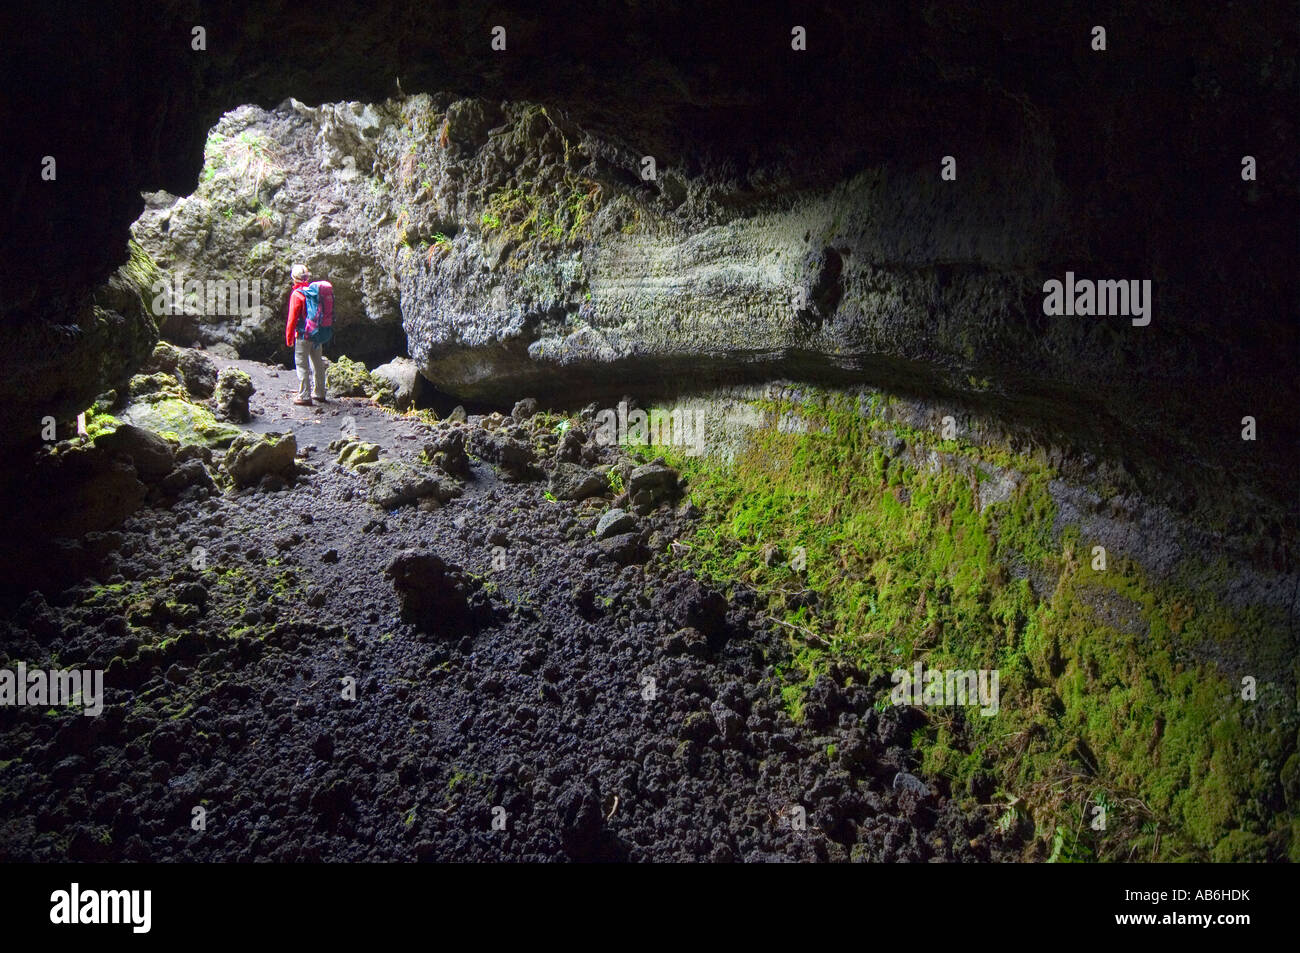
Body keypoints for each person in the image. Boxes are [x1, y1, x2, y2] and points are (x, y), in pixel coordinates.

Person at [284, 263, 327, 405]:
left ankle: (304, 395)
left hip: (303, 335)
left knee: (302, 364)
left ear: (294, 279)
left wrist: (289, 338)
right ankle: (320, 392)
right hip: (316, 334)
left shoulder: (297, 294)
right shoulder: (314, 291)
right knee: (317, 363)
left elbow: (292, 319)